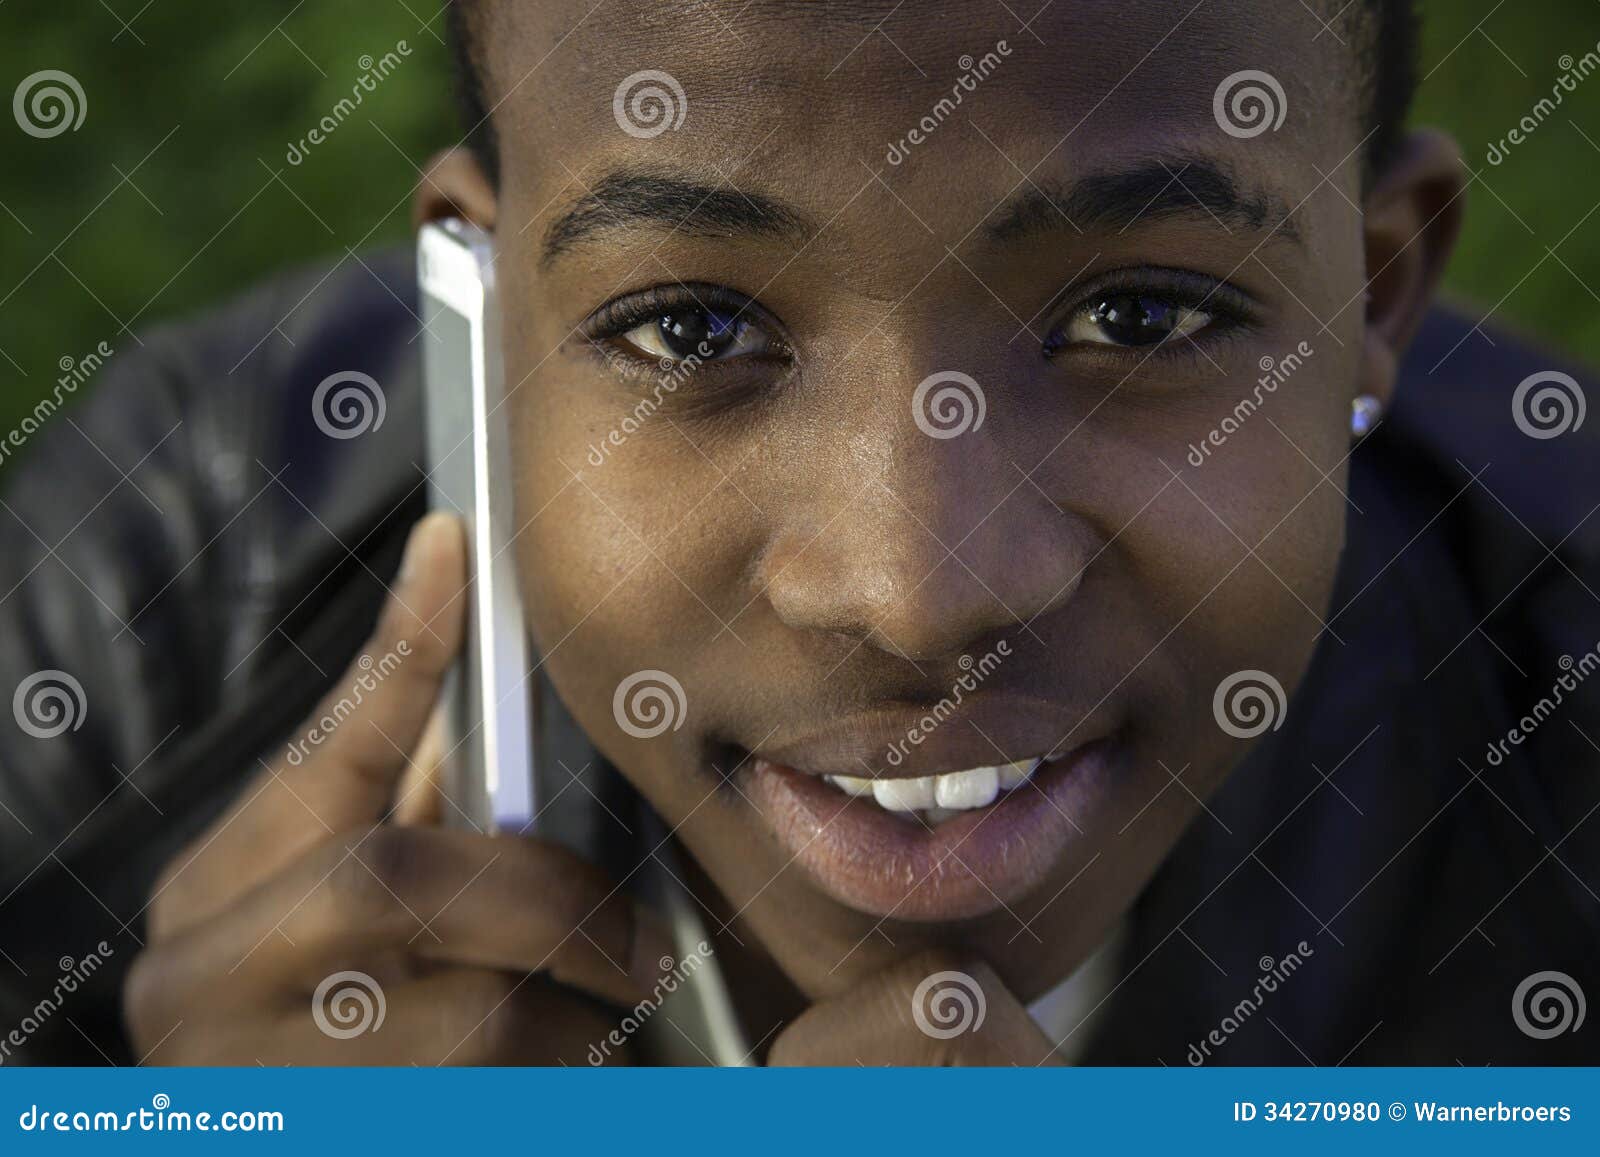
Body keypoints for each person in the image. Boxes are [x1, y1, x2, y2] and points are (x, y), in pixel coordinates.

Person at [1, 0, 1596, 1066]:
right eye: (692, 329)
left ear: (1378, 293)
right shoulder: (142, 608)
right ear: (475, 320)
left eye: (1141, 314)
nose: (917, 594)